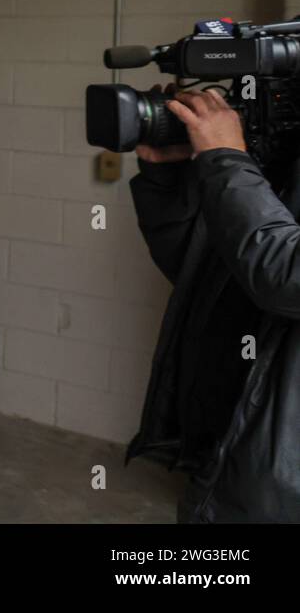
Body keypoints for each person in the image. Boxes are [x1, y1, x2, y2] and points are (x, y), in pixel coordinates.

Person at [127, 86, 300, 521]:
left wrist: (225, 158)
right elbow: (200, 265)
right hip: (227, 450)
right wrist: (165, 178)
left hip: (277, 488)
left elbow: (282, 275)